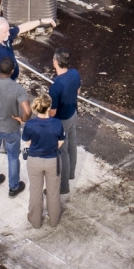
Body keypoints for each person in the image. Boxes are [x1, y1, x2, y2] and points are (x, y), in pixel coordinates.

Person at [0, 57, 30, 196]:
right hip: (11, 129)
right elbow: (27, 111)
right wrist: (22, 120)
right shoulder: (17, 89)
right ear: (12, 71)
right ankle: (14, 187)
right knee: (13, 157)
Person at [22, 94, 66, 228]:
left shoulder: (30, 124)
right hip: (52, 161)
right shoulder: (57, 123)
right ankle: (54, 220)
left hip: (34, 161)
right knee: (53, 192)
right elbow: (60, 141)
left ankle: (35, 221)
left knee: (35, 192)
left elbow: (27, 141)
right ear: (48, 107)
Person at [47, 48, 80, 193]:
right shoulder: (74, 73)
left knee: (62, 152)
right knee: (72, 144)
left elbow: (53, 112)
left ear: (55, 62)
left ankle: (63, 186)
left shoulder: (55, 88)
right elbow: (78, 90)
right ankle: (71, 174)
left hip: (63, 121)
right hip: (73, 113)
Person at [0, 16, 56, 80]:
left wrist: (41, 21)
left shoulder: (4, 36)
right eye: (5, 32)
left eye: (8, 30)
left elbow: (21, 28)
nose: (9, 34)